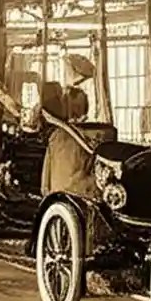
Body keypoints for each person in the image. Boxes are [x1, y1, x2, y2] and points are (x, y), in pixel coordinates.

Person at [38, 53, 101, 195]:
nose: (75, 116)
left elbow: (45, 187)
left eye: (77, 112)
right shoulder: (65, 138)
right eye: (75, 109)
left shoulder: (64, 137)